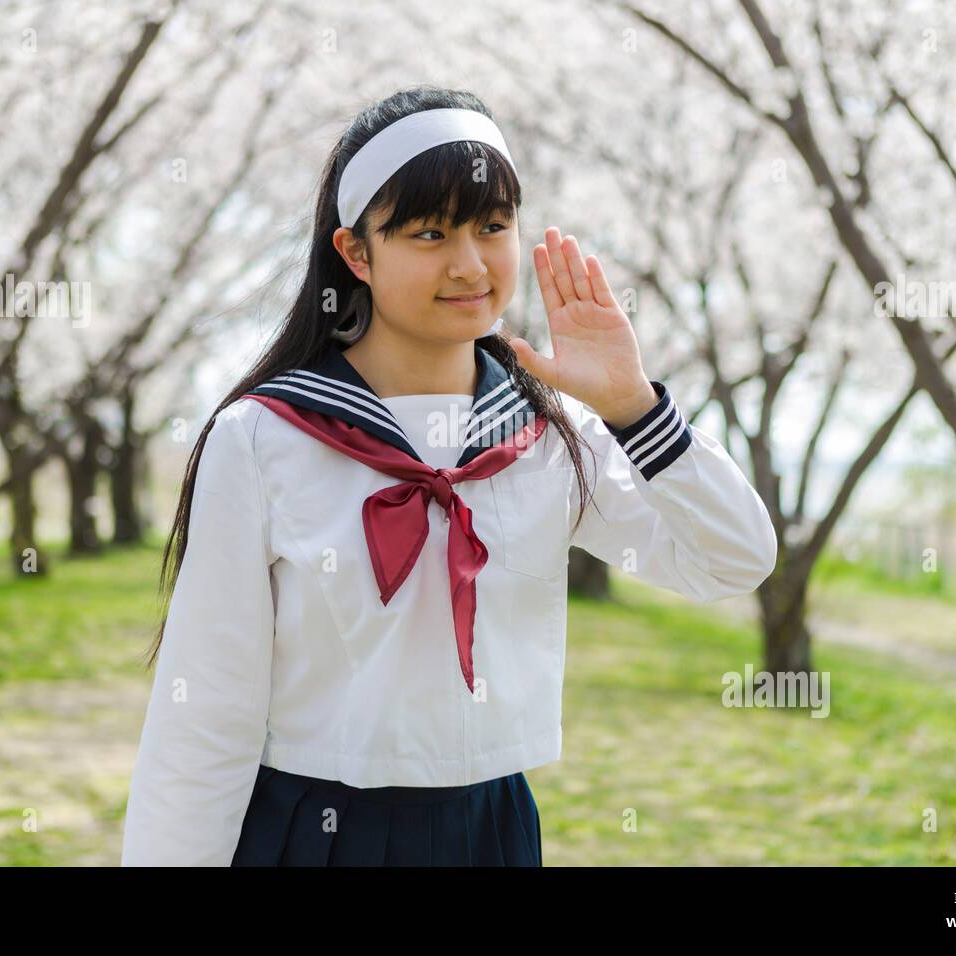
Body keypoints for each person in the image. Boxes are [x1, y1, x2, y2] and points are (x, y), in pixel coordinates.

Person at [120, 86, 778, 867]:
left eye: (492, 227)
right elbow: (204, 717)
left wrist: (635, 408)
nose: (470, 265)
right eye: (429, 233)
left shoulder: (548, 437)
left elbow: (733, 560)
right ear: (356, 253)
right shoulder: (264, 440)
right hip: (315, 835)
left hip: (493, 832)